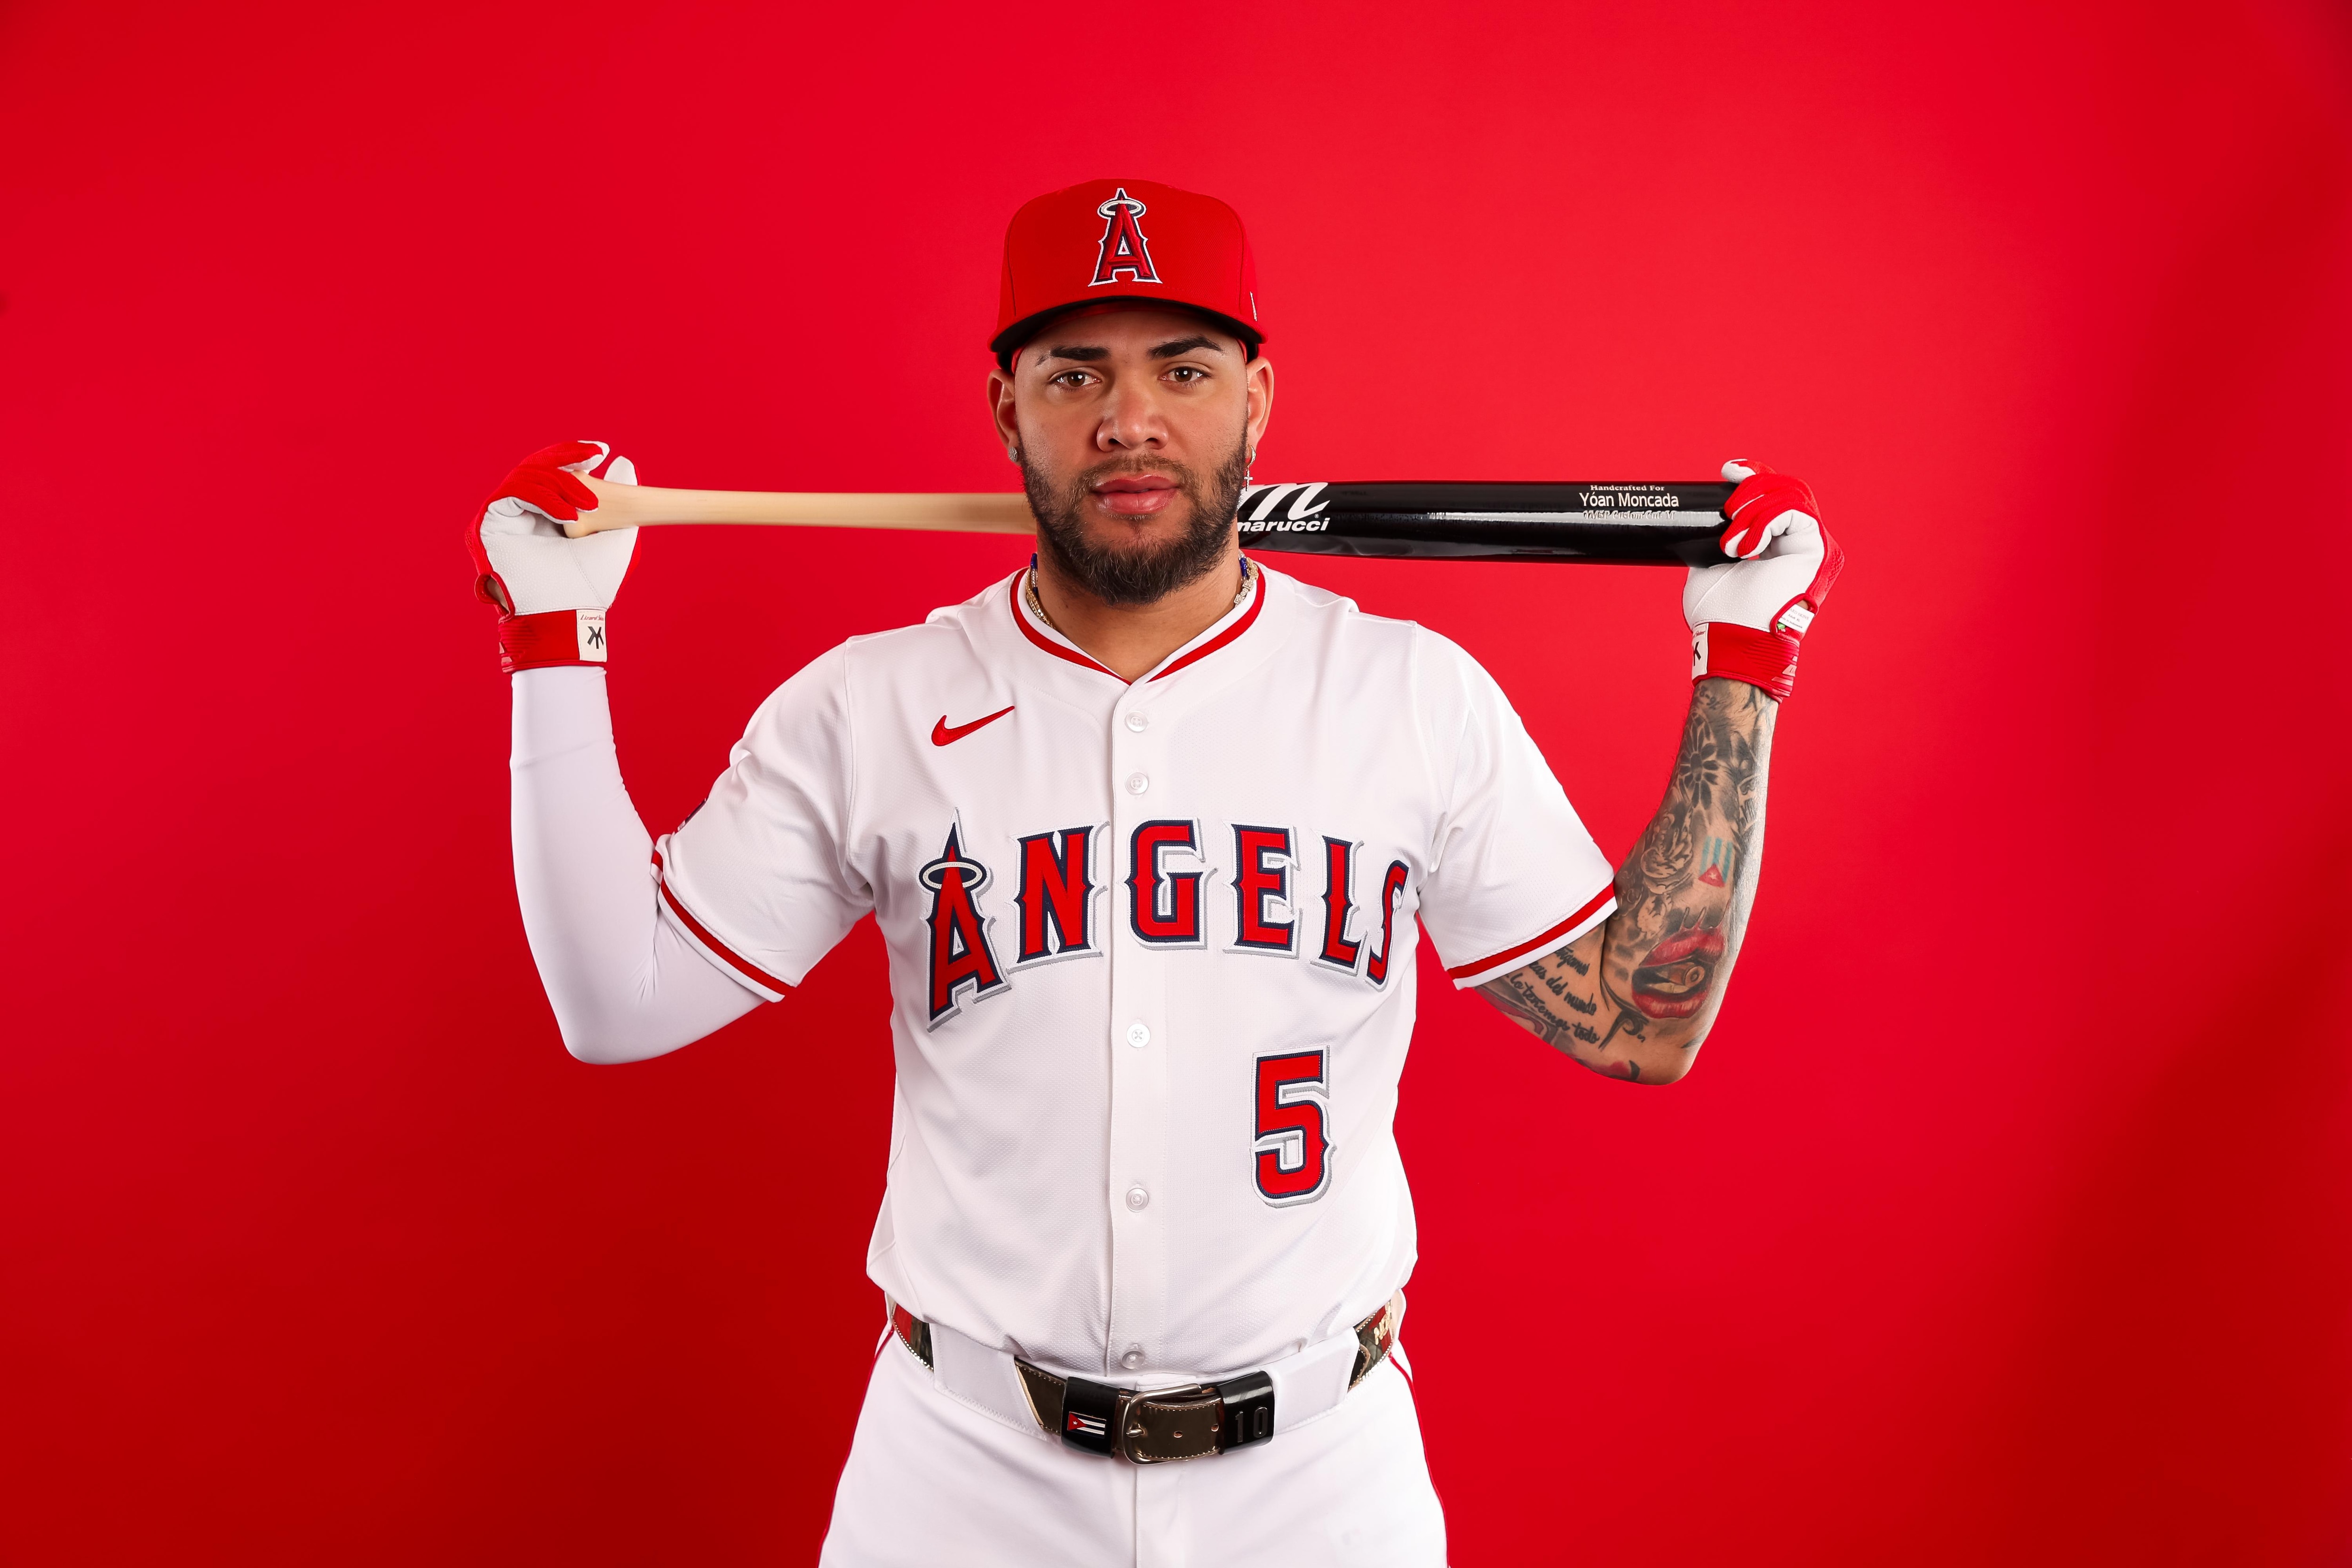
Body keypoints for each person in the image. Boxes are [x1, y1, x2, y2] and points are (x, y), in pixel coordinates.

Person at [466, 177, 1842, 1568]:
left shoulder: (1408, 696)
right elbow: (622, 1000)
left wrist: (1742, 661)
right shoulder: (870, 706)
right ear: (1007, 410)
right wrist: (554, 643)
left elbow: (1642, 1016)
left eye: (1184, 371)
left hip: (1321, 1484)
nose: (1130, 420)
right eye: (1077, 375)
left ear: (1257, 400)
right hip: (961, 1476)